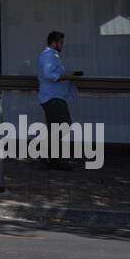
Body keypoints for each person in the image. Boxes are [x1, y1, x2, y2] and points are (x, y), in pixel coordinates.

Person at [37, 30, 82, 170]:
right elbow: (49, 74)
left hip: (55, 97)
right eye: (61, 42)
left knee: (56, 129)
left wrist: (69, 77)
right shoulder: (48, 56)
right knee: (64, 126)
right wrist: (70, 77)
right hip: (52, 98)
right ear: (54, 42)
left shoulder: (52, 55)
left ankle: (49, 156)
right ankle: (50, 156)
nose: (63, 45)